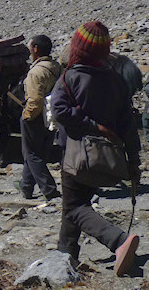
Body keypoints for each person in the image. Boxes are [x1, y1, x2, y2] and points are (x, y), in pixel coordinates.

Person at [50, 21, 141, 276]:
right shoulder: (116, 80)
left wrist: (92, 125)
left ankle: (118, 241)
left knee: (74, 208)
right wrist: (134, 161)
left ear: (78, 47)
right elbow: (128, 125)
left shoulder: (70, 77)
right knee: (76, 203)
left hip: (75, 154)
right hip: (106, 156)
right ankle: (64, 256)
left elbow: (58, 110)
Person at [16, 35, 62, 200]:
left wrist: (27, 116)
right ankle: (26, 186)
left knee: (31, 153)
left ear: (35, 49)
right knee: (37, 152)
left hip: (36, 117)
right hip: (52, 116)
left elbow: (35, 100)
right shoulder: (56, 66)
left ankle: (49, 189)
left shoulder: (36, 72)